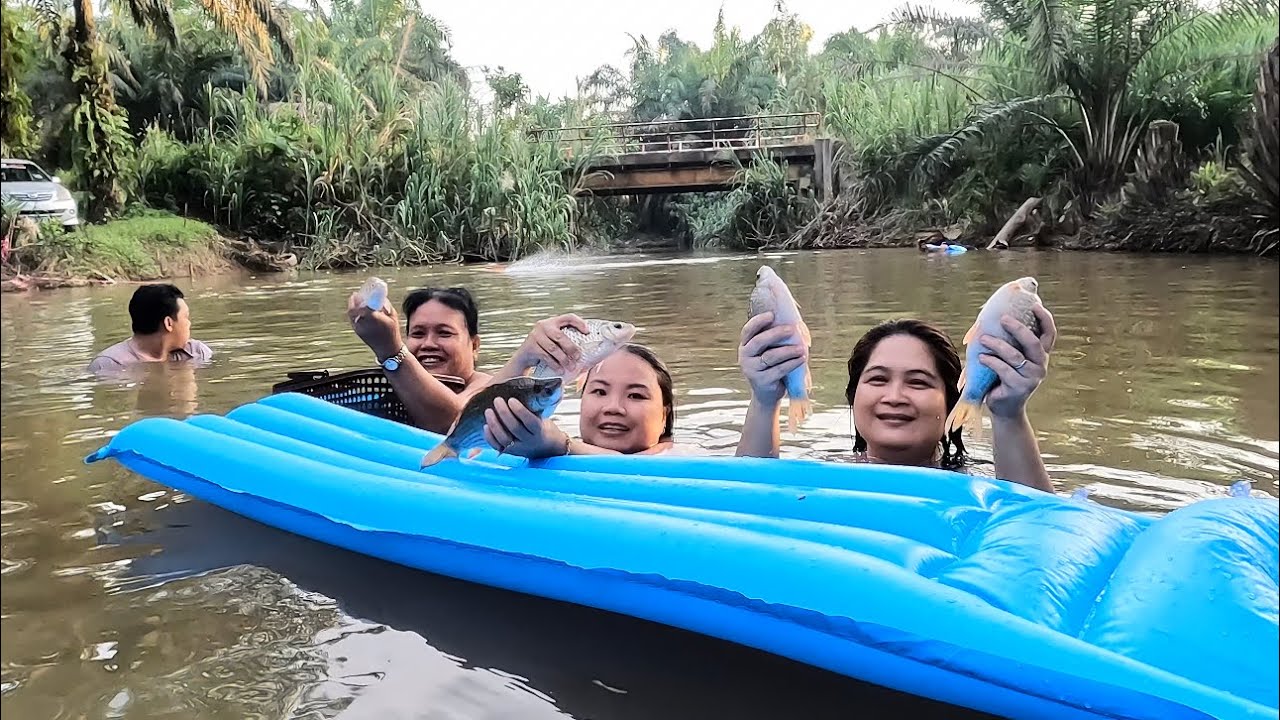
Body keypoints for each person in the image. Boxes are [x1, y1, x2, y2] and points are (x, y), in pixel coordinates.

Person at [734, 308, 1056, 492]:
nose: (894, 397)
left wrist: (1008, 413)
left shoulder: (980, 488)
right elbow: (744, 510)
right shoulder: (821, 481)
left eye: (918, 382)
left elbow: (1039, 536)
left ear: (951, 403)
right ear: (854, 397)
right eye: (878, 379)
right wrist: (765, 401)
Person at [346, 285, 592, 434]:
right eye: (418, 333)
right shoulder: (389, 382)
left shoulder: (485, 386)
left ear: (474, 346)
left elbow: (460, 423)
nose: (429, 344)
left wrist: (390, 350)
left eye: (444, 333)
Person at [480, 343, 678, 458]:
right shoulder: (535, 444)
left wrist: (558, 444)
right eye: (600, 391)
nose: (613, 408)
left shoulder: (682, 457)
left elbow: (639, 465)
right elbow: (462, 431)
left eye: (635, 395)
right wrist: (522, 358)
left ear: (664, 415)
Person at [88, 284, 213, 374]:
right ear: (168, 323)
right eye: (186, 317)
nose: (189, 323)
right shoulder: (110, 365)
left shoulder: (197, 352)